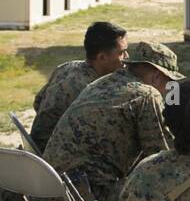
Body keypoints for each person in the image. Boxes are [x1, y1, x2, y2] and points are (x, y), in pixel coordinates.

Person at [43, 40, 180, 201]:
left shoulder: (102, 81)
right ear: (157, 76)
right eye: (170, 83)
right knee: (170, 197)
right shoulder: (147, 95)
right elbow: (163, 160)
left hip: (49, 191)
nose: (169, 91)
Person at [29, 21, 128, 151]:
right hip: (56, 157)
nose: (127, 57)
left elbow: (38, 102)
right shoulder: (93, 91)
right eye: (122, 53)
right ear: (102, 57)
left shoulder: (66, 67)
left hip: (36, 149)